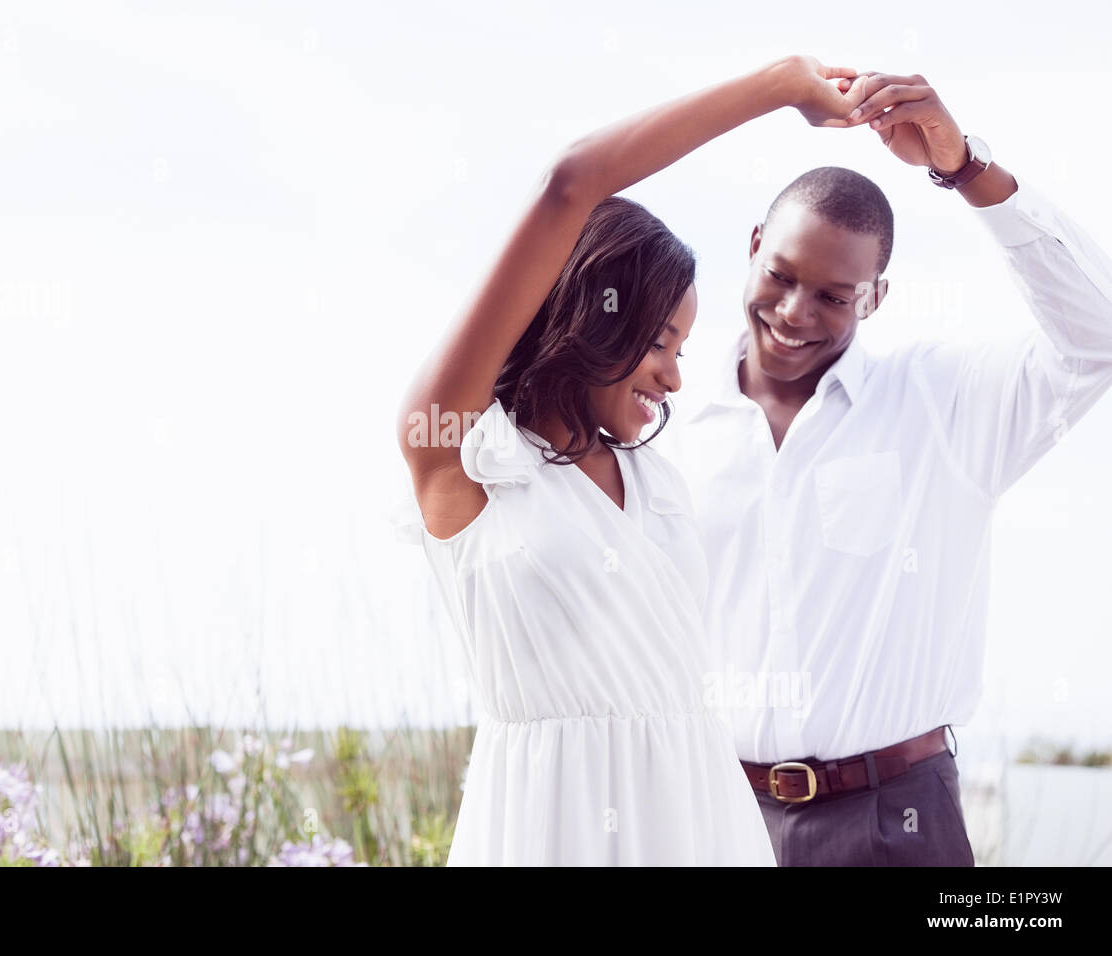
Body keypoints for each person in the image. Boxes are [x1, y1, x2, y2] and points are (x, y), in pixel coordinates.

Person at [392, 55, 869, 865]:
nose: (675, 376)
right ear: (586, 317)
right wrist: (783, 85)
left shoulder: (656, 481)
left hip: (699, 821)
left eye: (682, 346)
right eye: (656, 343)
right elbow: (571, 183)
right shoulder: (463, 459)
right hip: (549, 831)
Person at [657, 70, 1112, 865]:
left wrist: (966, 167)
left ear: (876, 298)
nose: (796, 313)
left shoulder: (944, 405)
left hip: (895, 823)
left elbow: (1096, 336)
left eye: (835, 296)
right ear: (754, 247)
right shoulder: (663, 428)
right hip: (716, 819)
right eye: (782, 277)